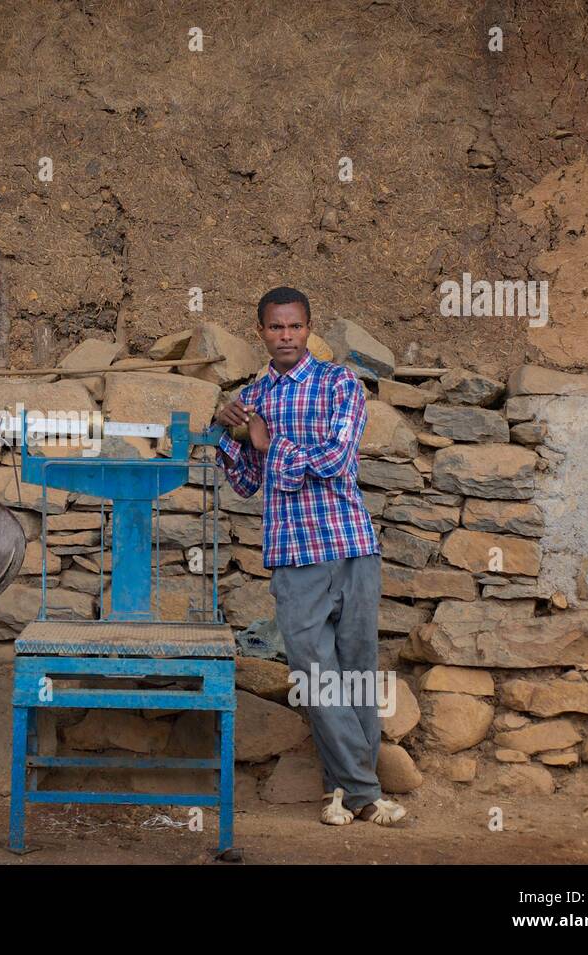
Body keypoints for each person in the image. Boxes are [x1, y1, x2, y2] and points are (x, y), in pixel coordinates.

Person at [214, 286, 406, 827]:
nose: (286, 337)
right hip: (294, 554)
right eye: (275, 328)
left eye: (294, 327)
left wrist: (267, 443)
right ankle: (366, 791)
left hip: (350, 546)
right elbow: (250, 484)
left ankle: (344, 793)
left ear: (308, 328)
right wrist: (227, 430)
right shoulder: (256, 396)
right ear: (261, 332)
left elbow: (336, 460)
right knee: (313, 673)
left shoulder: (339, 382)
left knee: (357, 674)